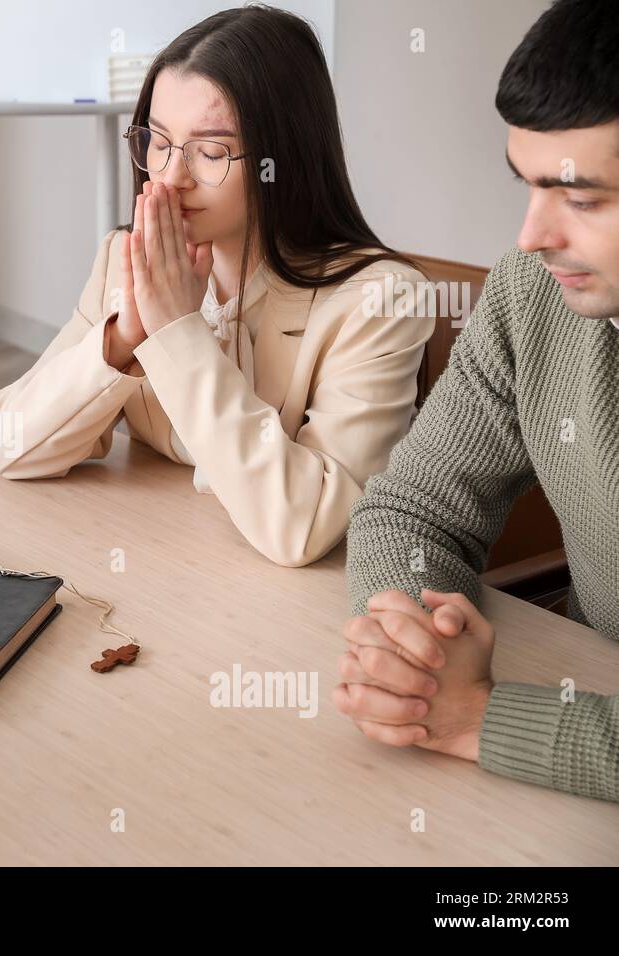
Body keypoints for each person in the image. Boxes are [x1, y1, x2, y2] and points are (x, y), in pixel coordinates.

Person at [0, 4, 431, 568]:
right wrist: (123, 339)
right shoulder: (125, 257)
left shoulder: (381, 300)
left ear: (283, 160)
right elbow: (10, 448)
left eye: (212, 152)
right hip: (160, 562)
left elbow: (303, 528)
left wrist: (175, 333)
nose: (169, 177)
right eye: (158, 141)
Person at [335, 0, 619, 804]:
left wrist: (477, 720)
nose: (530, 236)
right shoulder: (533, 297)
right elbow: (413, 510)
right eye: (528, 186)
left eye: (583, 198)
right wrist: (410, 648)